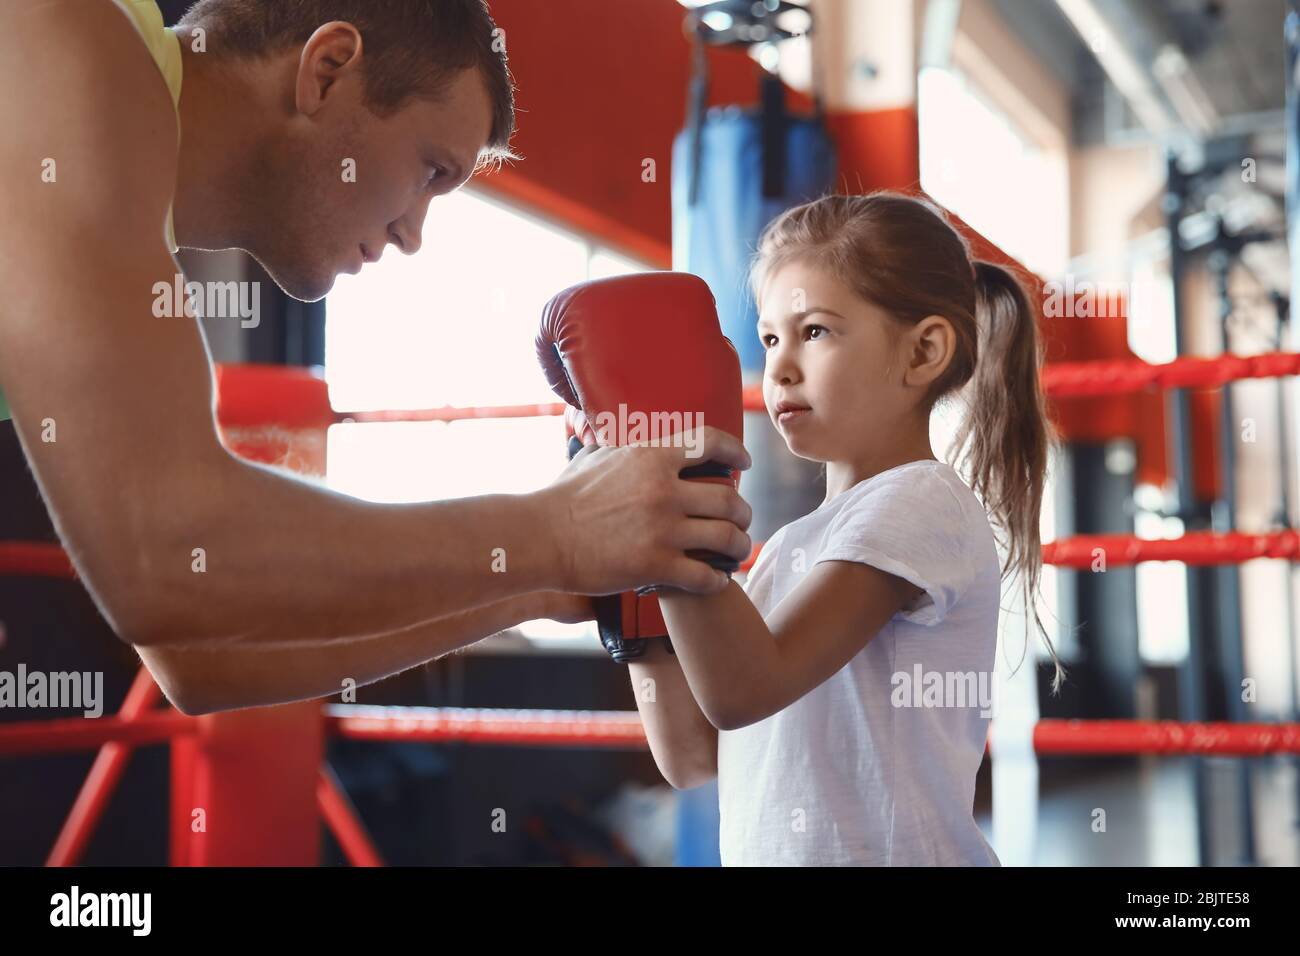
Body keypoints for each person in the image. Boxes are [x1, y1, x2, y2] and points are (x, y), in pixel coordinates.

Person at [0, 0, 752, 715]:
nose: (412, 233)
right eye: (431, 170)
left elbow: (196, 657)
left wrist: (547, 580)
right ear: (326, 69)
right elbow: (163, 555)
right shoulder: (75, 41)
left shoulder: (124, 220)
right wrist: (558, 530)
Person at [630, 192, 1066, 865]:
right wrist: (629, 578)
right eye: (771, 337)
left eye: (815, 331)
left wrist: (669, 515)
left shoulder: (922, 502)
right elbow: (694, 755)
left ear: (922, 352)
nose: (779, 366)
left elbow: (746, 686)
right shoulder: (790, 549)